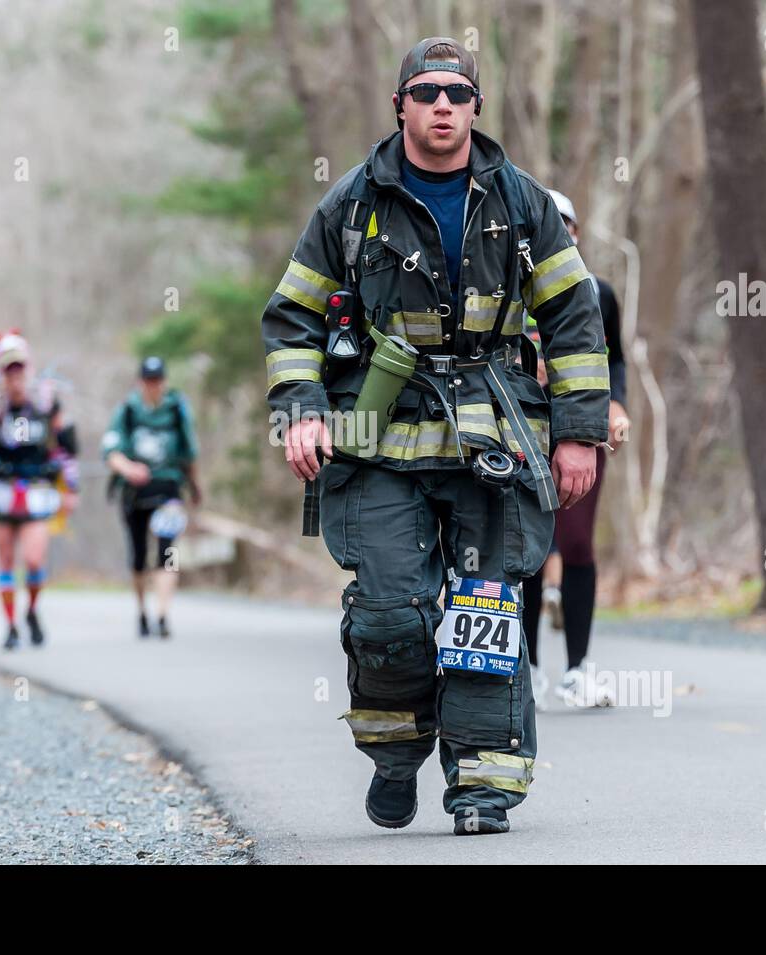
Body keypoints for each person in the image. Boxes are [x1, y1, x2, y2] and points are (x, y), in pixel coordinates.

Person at [261, 38, 610, 836]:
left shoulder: (520, 202)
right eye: (426, 91)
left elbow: (573, 316)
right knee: (389, 613)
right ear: (402, 105)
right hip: (377, 437)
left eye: (457, 91)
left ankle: (482, 787)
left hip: (494, 433)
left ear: (476, 104)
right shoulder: (352, 204)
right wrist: (302, 410)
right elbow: (291, 317)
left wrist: (580, 432)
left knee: (485, 613)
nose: (442, 104)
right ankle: (395, 752)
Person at [520, 190, 630, 709]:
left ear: (577, 233)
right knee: (531, 553)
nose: (558, 233)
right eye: (549, 224)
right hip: (519, 433)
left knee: (579, 545)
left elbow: (616, 360)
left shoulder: (597, 292)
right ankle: (529, 669)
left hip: (582, 430)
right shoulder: (510, 292)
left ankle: (580, 668)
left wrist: (617, 407)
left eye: (566, 225)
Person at [0, 330, 80, 650]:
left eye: (19, 368)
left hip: (37, 488)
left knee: (35, 560)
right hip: (0, 490)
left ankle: (33, 610)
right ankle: (10, 625)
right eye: (8, 370)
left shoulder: (47, 404)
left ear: (29, 368)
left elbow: (65, 450)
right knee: (6, 558)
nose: (15, 376)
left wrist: (71, 487)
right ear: (0, 373)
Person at [103, 356, 201, 639]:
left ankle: (162, 614)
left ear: (164, 381)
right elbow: (111, 451)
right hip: (134, 492)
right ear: (140, 381)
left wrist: (194, 485)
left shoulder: (176, 409)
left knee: (166, 553)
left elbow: (189, 451)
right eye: (148, 380)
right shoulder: (128, 411)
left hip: (168, 488)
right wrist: (129, 469)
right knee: (138, 556)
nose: (153, 386)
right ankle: (142, 611)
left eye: (157, 381)